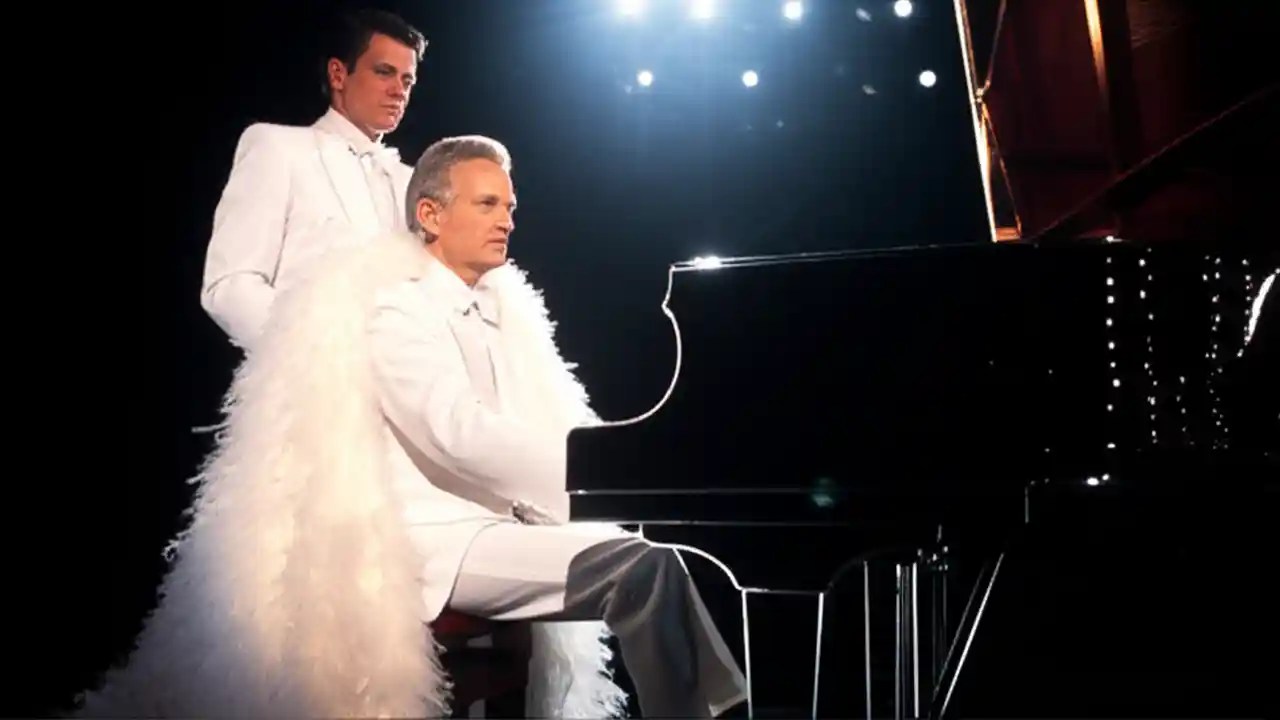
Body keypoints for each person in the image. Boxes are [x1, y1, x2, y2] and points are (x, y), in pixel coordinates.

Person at [70, 134, 748, 719]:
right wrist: (597, 467)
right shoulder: (397, 309)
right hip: (439, 542)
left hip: (503, 530)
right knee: (648, 570)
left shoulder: (504, 315)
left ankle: (723, 707)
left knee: (656, 560)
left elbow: (541, 422)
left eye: (510, 206)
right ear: (430, 214)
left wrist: (602, 478)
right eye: (487, 204)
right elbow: (454, 432)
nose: (507, 219)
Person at [199, 8, 426, 350]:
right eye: (384, 73)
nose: (399, 90)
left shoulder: (413, 182)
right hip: (310, 392)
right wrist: (318, 354)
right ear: (338, 74)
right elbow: (230, 285)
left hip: (400, 393)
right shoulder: (277, 147)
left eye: (407, 80)